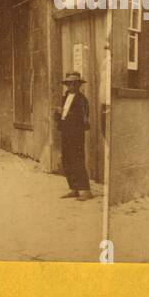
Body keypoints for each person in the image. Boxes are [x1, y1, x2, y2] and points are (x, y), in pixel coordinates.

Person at [54, 72, 93, 201]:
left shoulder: (82, 99)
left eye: (73, 83)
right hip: (65, 132)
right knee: (67, 160)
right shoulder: (64, 98)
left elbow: (81, 118)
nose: (70, 86)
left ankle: (85, 191)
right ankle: (74, 188)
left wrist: (65, 113)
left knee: (77, 160)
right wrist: (58, 114)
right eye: (68, 83)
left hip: (76, 133)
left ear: (78, 85)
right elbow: (60, 117)